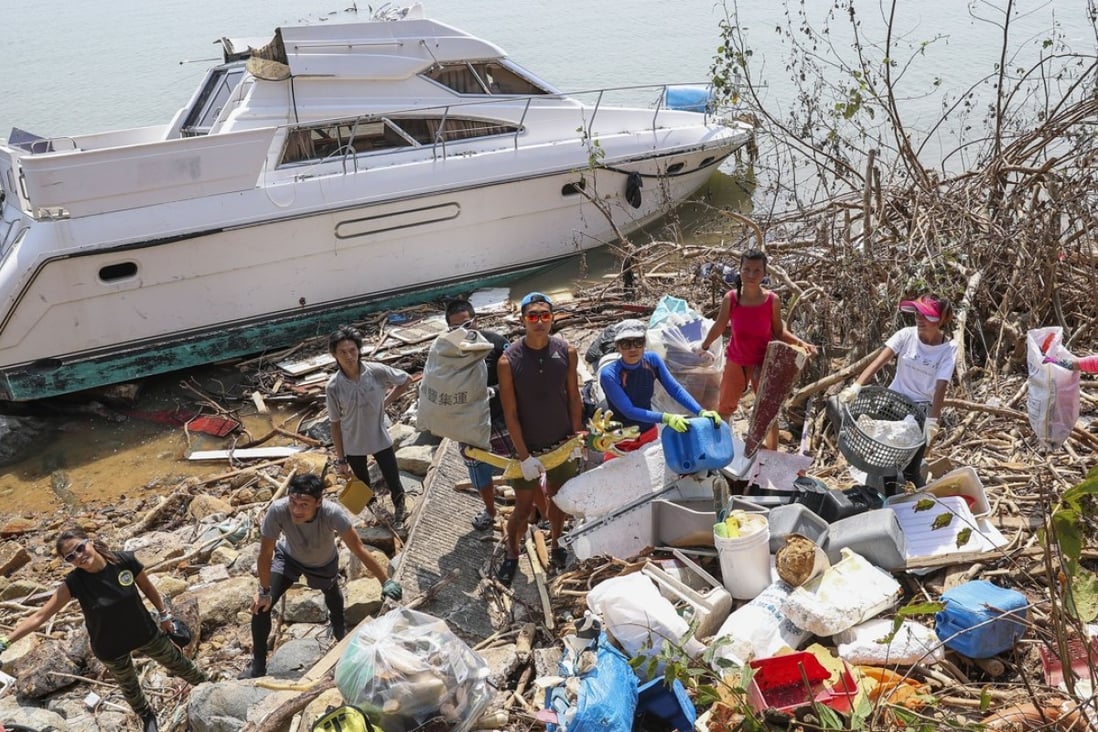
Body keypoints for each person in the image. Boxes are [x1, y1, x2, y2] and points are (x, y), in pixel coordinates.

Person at [0, 529, 207, 732]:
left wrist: (164, 616)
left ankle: (208, 685)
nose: (79, 557)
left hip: (145, 633)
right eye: (70, 557)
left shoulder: (124, 561)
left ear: (90, 542)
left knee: (180, 665)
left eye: (80, 548)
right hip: (109, 646)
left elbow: (148, 588)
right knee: (130, 687)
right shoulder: (75, 582)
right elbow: (40, 616)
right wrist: (6, 641)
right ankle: (146, 715)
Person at [242, 473, 402, 679]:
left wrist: (385, 581)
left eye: (304, 504)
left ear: (318, 502)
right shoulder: (278, 510)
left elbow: (359, 548)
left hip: (322, 561)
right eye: (293, 502)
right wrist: (264, 591)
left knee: (331, 592)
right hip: (288, 557)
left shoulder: (332, 513)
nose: (296, 510)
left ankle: (338, 626)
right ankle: (258, 666)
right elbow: (265, 554)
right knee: (261, 607)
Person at [496, 292, 584, 584]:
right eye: (532, 316)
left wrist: (576, 438)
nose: (539, 322)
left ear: (552, 319)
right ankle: (512, 553)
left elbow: (574, 396)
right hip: (528, 446)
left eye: (545, 316)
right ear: (522, 320)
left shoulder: (566, 351)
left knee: (558, 501)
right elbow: (510, 413)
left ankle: (556, 543)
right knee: (522, 508)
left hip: (561, 442)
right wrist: (524, 457)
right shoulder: (509, 361)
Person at [699, 249, 818, 449]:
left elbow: (779, 331)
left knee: (767, 412)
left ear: (764, 274)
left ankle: (771, 453)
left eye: (757, 271)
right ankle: (721, 449)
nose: (751, 275)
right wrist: (703, 346)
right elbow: (719, 326)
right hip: (736, 360)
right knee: (725, 408)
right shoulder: (731, 298)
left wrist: (801, 343)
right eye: (747, 270)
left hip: (764, 361)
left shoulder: (772, 300)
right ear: (740, 271)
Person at [838, 294, 957, 491]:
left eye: (926, 316)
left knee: (911, 470)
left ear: (940, 320)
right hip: (893, 402)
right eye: (917, 314)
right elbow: (878, 361)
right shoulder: (906, 335)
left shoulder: (948, 349)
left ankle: (920, 499)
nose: (919, 320)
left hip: (919, 410)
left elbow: (941, 386)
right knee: (885, 461)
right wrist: (856, 387)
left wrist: (933, 421)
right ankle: (882, 497)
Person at [326, 326, 413, 527]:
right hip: (353, 443)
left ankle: (401, 511)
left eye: (352, 350)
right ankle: (377, 512)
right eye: (343, 352)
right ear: (334, 355)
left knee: (393, 479)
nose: (349, 356)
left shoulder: (376, 371)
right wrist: (340, 460)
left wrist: (386, 402)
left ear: (359, 350)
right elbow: (335, 425)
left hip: (379, 437)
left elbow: (406, 380)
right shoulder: (333, 386)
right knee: (363, 485)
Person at [599, 319, 722, 455]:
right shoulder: (609, 374)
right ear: (618, 346)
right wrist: (667, 418)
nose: (633, 348)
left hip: (648, 432)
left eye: (638, 342)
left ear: (645, 343)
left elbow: (675, 389)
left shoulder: (652, 360)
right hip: (620, 439)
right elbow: (628, 410)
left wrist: (700, 411)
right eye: (626, 343)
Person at [444, 299, 512, 531]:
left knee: (519, 465)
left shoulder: (497, 343)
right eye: (455, 329)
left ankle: (532, 507)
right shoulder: (448, 352)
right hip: (469, 424)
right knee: (478, 471)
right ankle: (490, 511)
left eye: (467, 324)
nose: (463, 332)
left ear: (477, 320)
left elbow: (517, 380)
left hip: (501, 417)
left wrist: (493, 391)